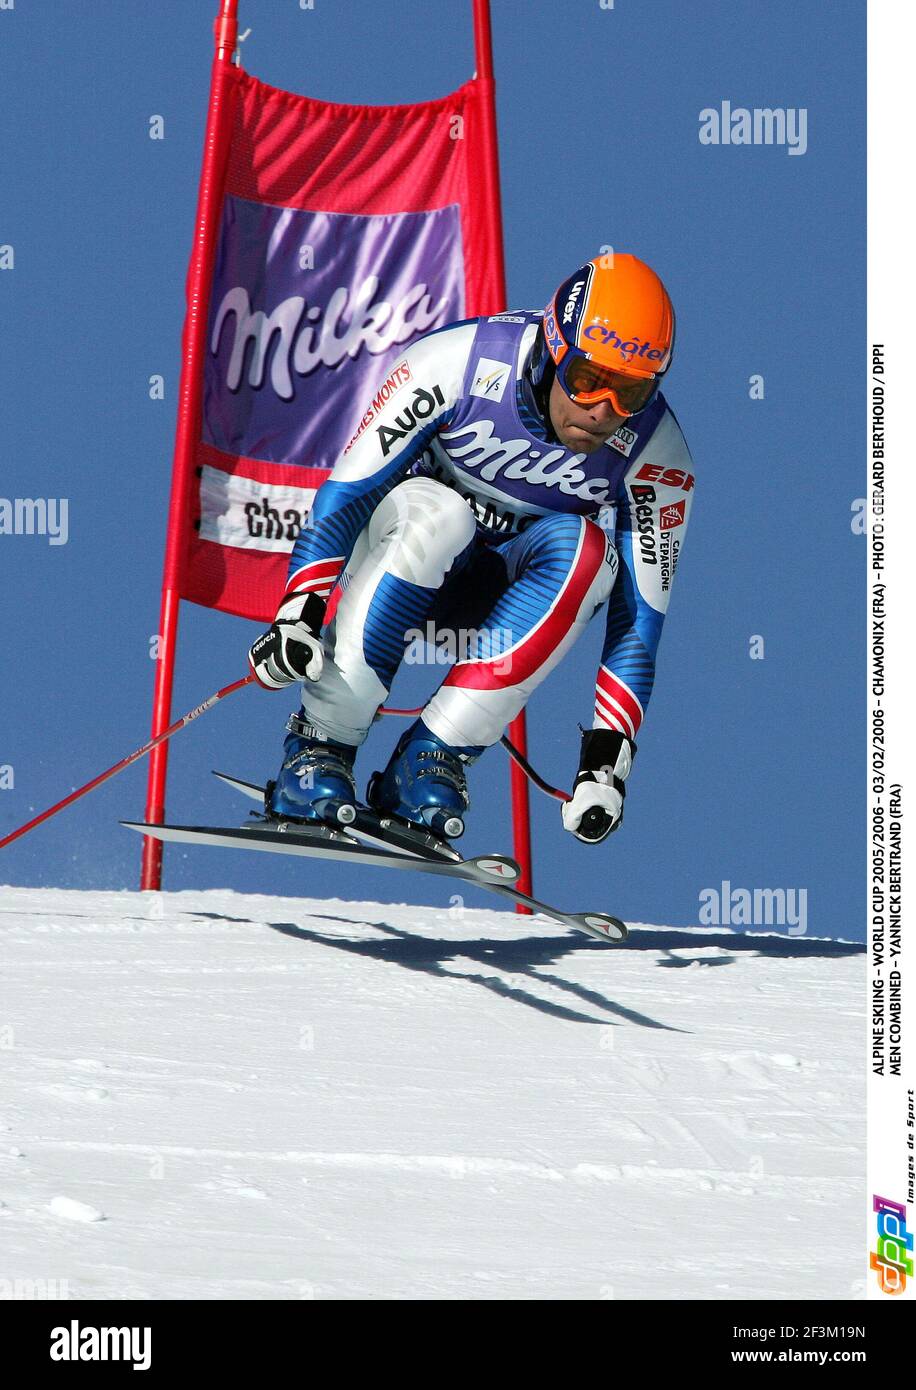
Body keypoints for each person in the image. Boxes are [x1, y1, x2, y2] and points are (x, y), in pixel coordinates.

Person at [248, 253, 695, 844]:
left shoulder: (657, 456)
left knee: (590, 553)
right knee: (442, 514)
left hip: (501, 604)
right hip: (397, 556)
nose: (602, 411)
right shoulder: (455, 363)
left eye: (630, 393)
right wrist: (297, 611)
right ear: (554, 349)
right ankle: (320, 748)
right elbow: (349, 493)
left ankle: (431, 760)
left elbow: (640, 619)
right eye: (588, 381)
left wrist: (606, 764)